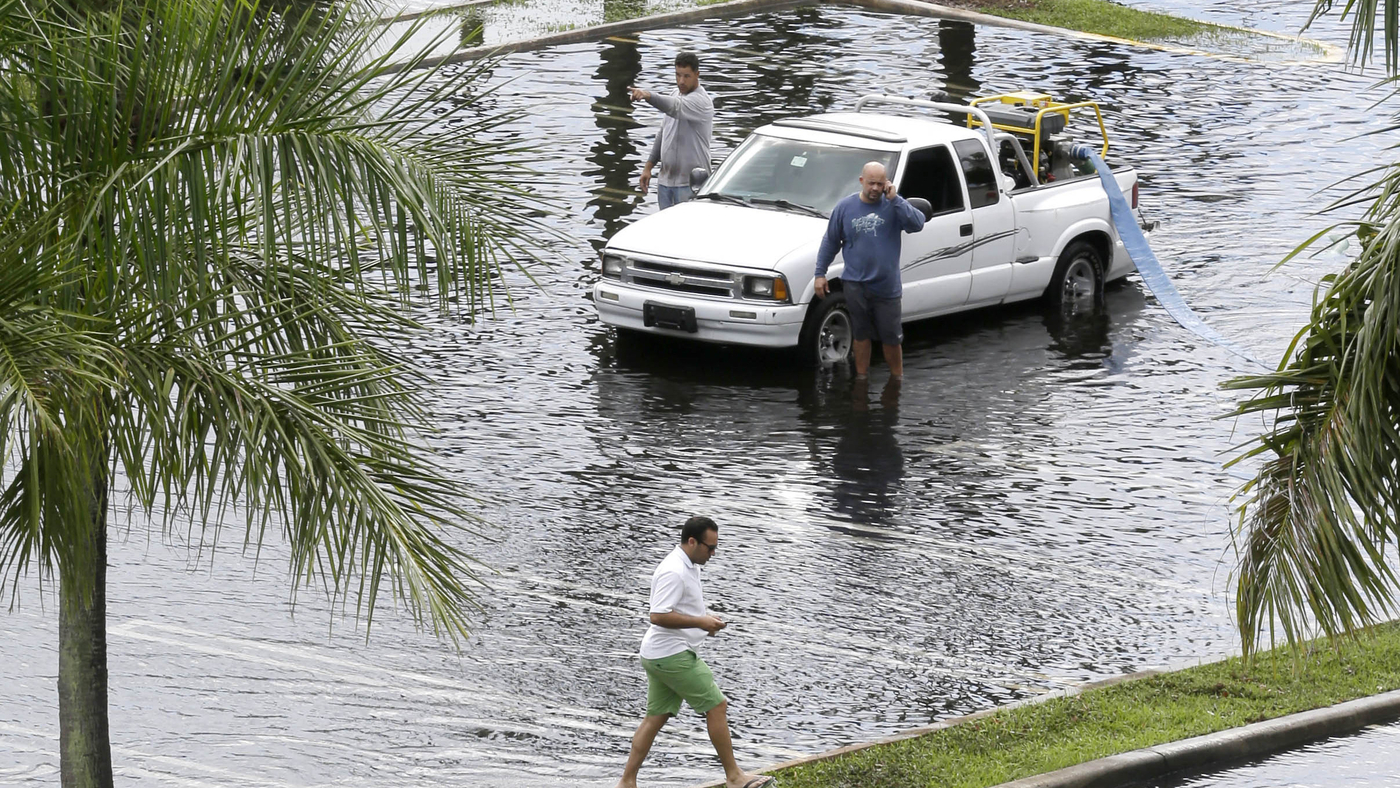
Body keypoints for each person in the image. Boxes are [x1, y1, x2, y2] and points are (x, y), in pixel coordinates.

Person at [615, 516, 773, 788]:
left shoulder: (689, 565)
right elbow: (657, 615)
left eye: (715, 548)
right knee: (717, 705)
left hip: (661, 654)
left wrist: (705, 621)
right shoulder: (673, 570)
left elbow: (680, 610)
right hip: (671, 655)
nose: (713, 554)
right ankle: (735, 778)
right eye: (709, 548)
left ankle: (626, 782)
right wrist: (700, 622)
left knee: (656, 717)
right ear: (691, 541)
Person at [814, 162, 926, 378]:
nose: (875, 188)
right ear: (861, 181)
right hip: (855, 285)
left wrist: (896, 199)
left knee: (891, 337)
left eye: (880, 183)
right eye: (871, 183)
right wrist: (820, 273)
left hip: (886, 287)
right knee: (861, 334)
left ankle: (896, 380)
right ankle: (862, 380)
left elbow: (917, 224)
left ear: (886, 184)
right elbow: (830, 242)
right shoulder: (845, 207)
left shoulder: (893, 205)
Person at [629, 51, 713, 210]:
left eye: (686, 76)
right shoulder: (675, 94)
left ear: (697, 74)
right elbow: (663, 133)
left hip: (689, 185)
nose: (681, 81)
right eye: (678, 75)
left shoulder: (702, 101)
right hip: (665, 182)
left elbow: (675, 108)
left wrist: (647, 95)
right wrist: (648, 166)